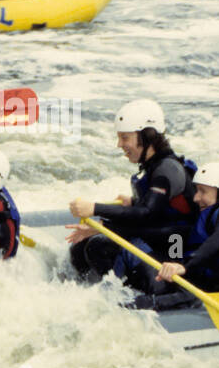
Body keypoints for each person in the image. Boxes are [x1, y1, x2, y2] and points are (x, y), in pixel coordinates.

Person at [67, 99, 198, 283]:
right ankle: (89, 293)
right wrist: (134, 202)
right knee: (79, 246)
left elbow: (147, 213)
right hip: (158, 233)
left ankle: (122, 298)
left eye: (125, 137)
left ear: (148, 136)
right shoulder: (153, 166)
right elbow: (153, 209)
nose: (119, 144)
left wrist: (96, 209)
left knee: (99, 247)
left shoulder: (168, 169)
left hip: (174, 245)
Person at [125, 162, 219, 308]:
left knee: (140, 304)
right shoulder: (211, 216)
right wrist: (121, 229)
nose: (196, 198)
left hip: (210, 294)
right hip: (195, 284)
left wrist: (185, 266)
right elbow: (175, 235)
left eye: (202, 191)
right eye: (196, 191)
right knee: (133, 247)